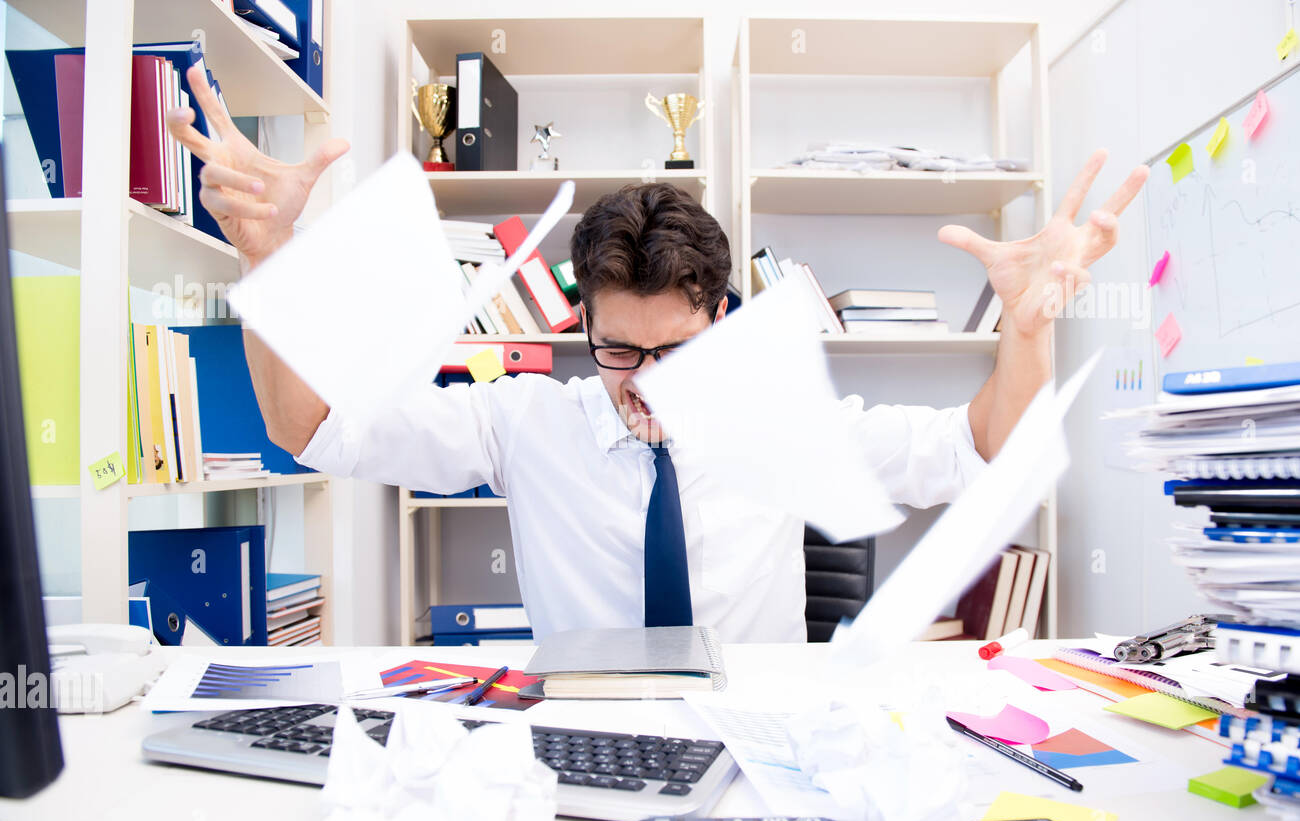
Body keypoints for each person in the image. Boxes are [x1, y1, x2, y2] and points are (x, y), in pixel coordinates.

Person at [165, 65, 1149, 643]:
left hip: (756, 737)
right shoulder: (522, 420)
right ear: (579, 324)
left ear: (719, 318)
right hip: (581, 742)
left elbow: (985, 447)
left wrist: (1026, 331)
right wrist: (271, 257)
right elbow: (309, 430)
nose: (642, 384)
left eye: (672, 352)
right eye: (615, 351)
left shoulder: (785, 427)